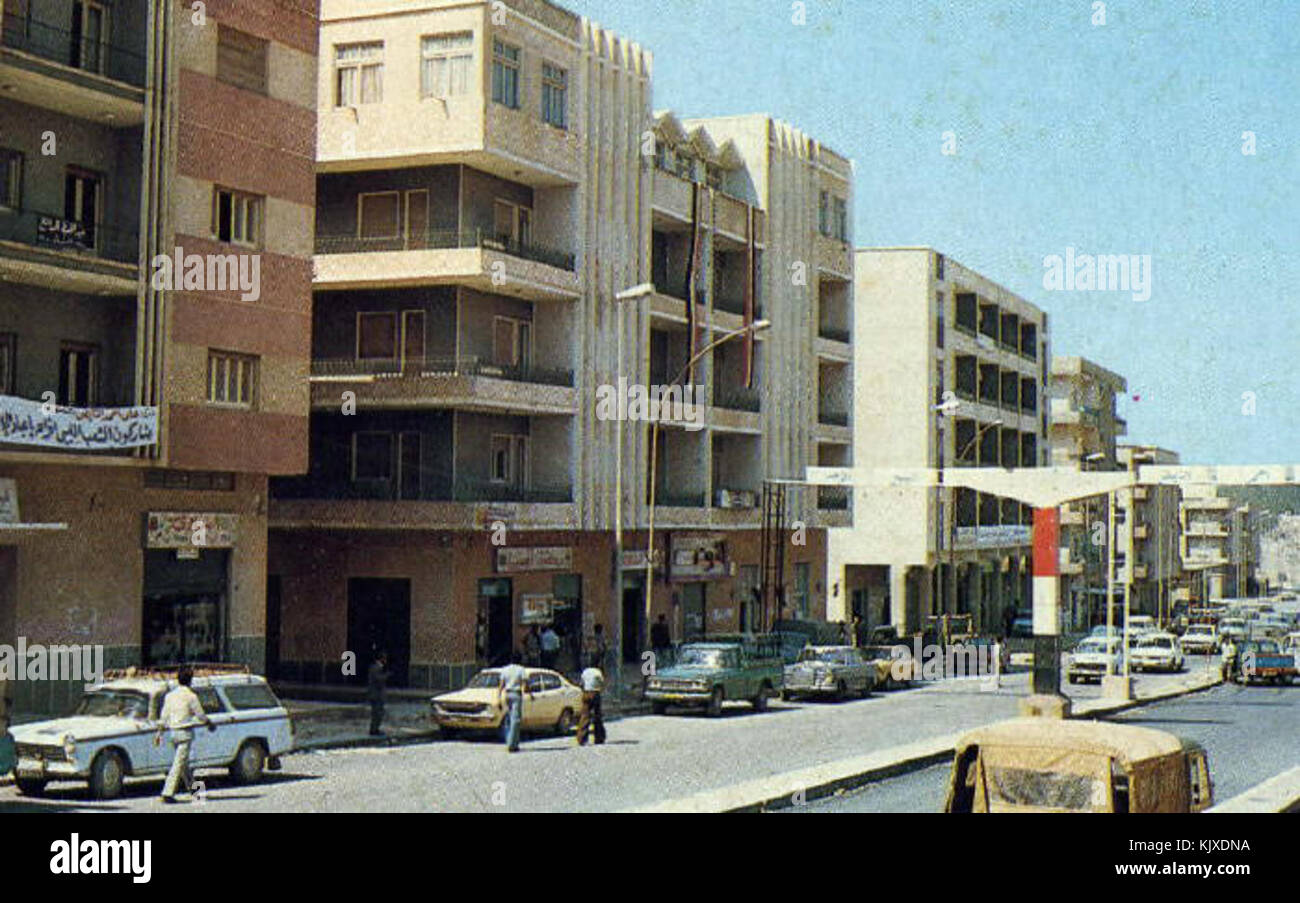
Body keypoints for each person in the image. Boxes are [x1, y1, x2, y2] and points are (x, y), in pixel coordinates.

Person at [154, 666, 213, 804]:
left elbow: (164, 716)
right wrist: (209, 723)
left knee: (183, 764)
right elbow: (200, 714)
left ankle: (196, 792)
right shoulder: (191, 696)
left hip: (173, 733)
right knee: (178, 764)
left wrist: (159, 733)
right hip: (185, 733)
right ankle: (167, 793)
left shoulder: (170, 696)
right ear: (190, 680)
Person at [498, 651, 528, 752]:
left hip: (507, 694)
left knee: (509, 719)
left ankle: (510, 741)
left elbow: (501, 684)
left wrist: (499, 696)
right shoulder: (521, 670)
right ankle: (512, 744)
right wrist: (524, 693)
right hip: (516, 694)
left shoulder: (505, 669)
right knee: (516, 720)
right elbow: (524, 684)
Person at [576, 662, 606, 746]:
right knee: (597, 716)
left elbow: (581, 683)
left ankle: (581, 739)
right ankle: (599, 737)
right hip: (595, 693)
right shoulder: (598, 672)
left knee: (584, 716)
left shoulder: (585, 672)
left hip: (586, 693)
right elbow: (601, 683)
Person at [367, 652, 388, 737]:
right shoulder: (376, 668)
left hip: (376, 694)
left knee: (378, 712)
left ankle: (375, 728)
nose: (386, 661)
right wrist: (386, 676)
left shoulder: (377, 667)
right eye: (384, 659)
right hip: (376, 695)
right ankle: (374, 729)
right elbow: (378, 680)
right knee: (377, 713)